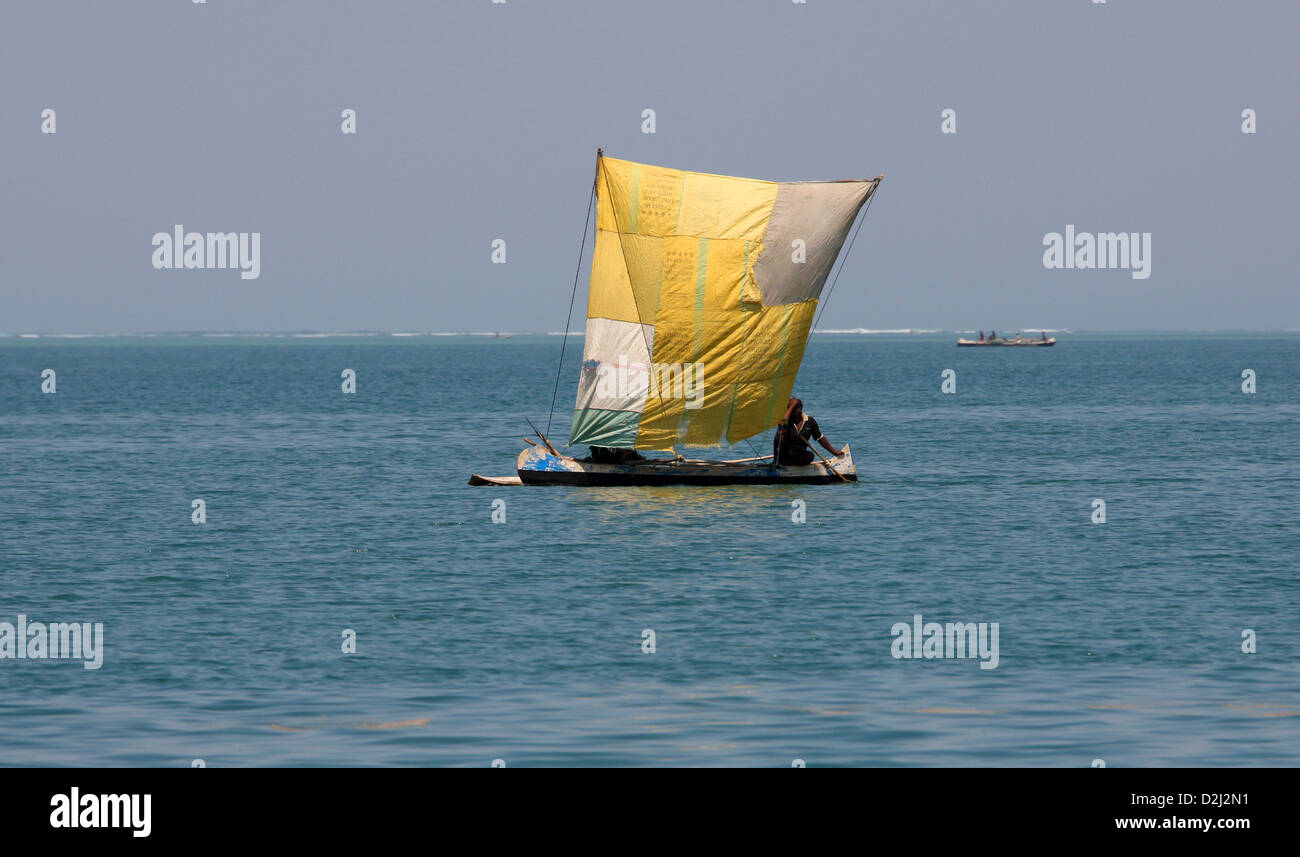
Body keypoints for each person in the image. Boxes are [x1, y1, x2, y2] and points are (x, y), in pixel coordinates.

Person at [773, 397, 844, 465]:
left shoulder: (810, 421)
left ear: (800, 410)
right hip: (784, 454)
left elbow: (820, 438)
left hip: (798, 455)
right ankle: (778, 463)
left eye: (792, 409)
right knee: (780, 433)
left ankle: (788, 465)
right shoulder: (786, 421)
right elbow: (781, 425)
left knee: (810, 456)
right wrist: (791, 407)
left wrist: (835, 452)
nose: (789, 411)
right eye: (789, 409)